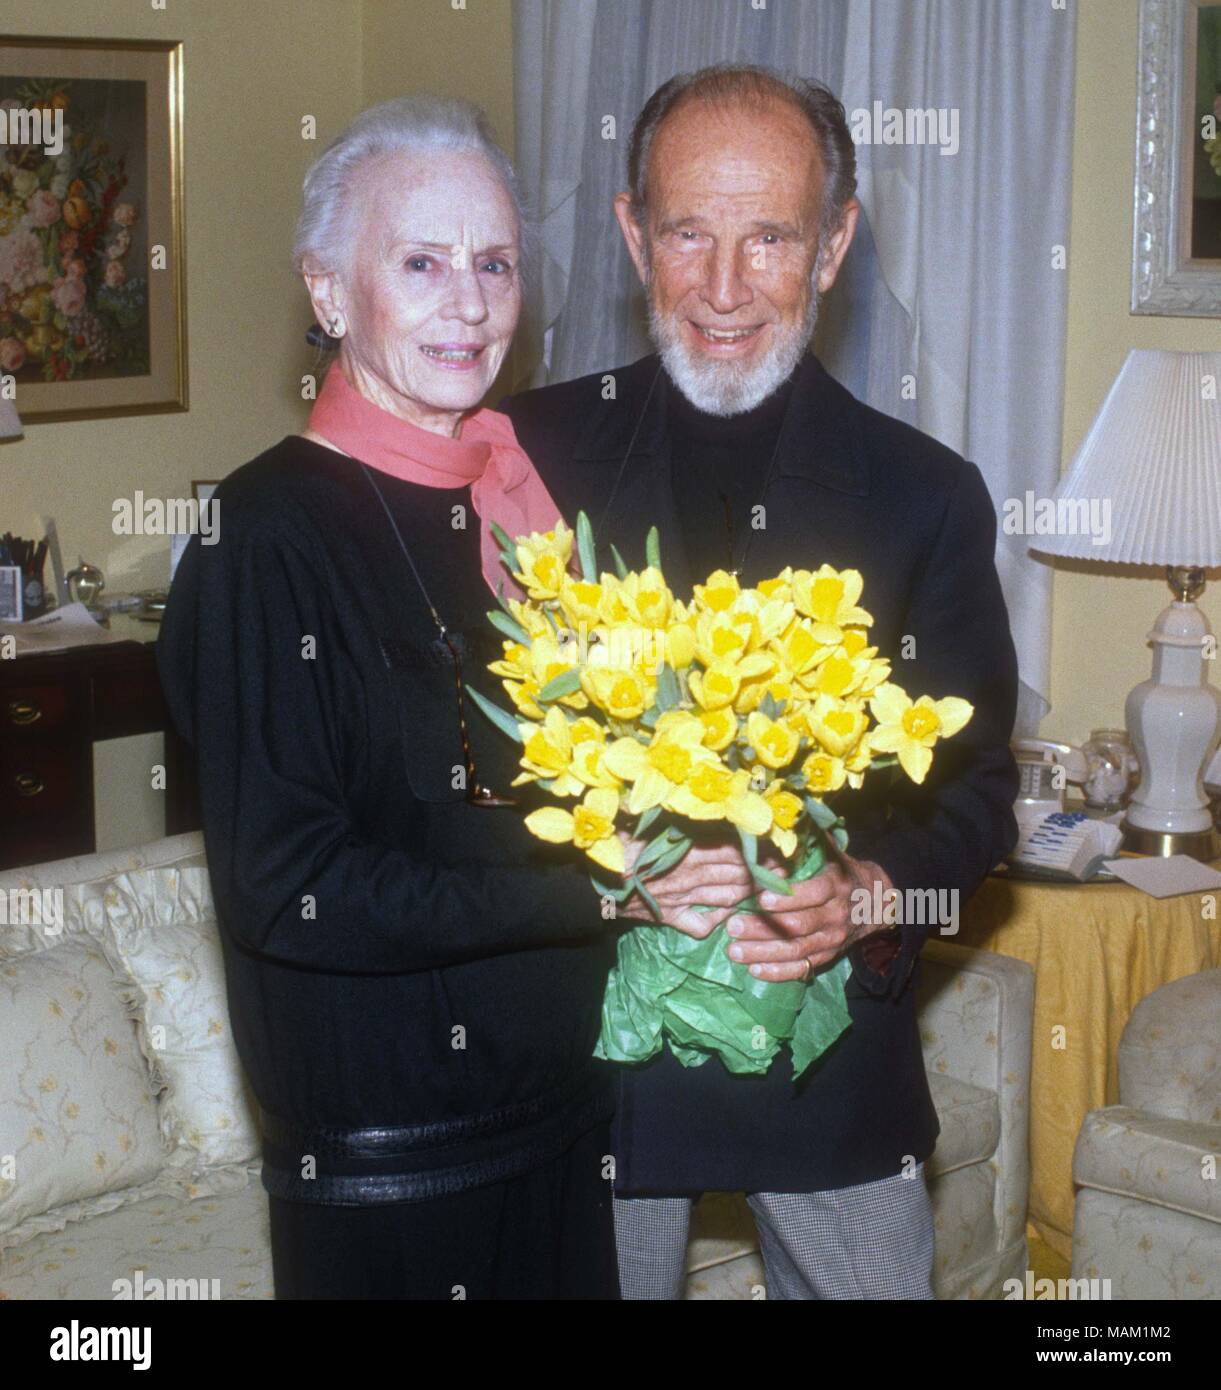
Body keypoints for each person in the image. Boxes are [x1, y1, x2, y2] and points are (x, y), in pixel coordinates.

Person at [157, 95, 766, 1300]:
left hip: (561, 1118)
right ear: (328, 293)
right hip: (394, 1175)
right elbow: (294, 891)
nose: (472, 300)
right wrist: (599, 889)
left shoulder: (515, 504)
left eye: (494, 263)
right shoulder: (260, 537)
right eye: (422, 262)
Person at [504, 64, 1021, 1300]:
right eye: (688, 231)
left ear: (833, 243)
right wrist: (597, 881)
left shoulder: (924, 494)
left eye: (771, 236)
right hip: (592, 1061)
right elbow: (461, 764)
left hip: (824, 1060)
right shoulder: (525, 458)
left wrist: (876, 894)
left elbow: (981, 794)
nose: (724, 288)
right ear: (635, 234)